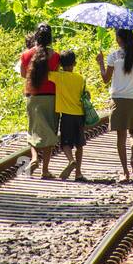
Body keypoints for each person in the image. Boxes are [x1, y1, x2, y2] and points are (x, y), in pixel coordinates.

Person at [97, 28, 133, 183]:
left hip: (119, 99)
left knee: (121, 137)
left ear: (119, 38)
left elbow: (106, 79)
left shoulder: (113, 56)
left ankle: (125, 172)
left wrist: (100, 63)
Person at [20, 23, 60, 178]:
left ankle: (35, 158)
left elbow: (24, 75)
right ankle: (45, 170)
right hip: (51, 96)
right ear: (50, 38)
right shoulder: (55, 56)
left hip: (32, 95)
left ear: (36, 36)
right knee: (50, 131)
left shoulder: (26, 55)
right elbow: (56, 75)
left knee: (33, 129)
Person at [50, 50, 87, 182]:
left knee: (65, 143)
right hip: (79, 115)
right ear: (75, 63)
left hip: (66, 116)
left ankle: (71, 160)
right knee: (79, 145)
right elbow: (86, 95)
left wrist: (56, 65)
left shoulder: (58, 76)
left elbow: (47, 74)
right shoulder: (80, 78)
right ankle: (78, 173)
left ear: (61, 64)